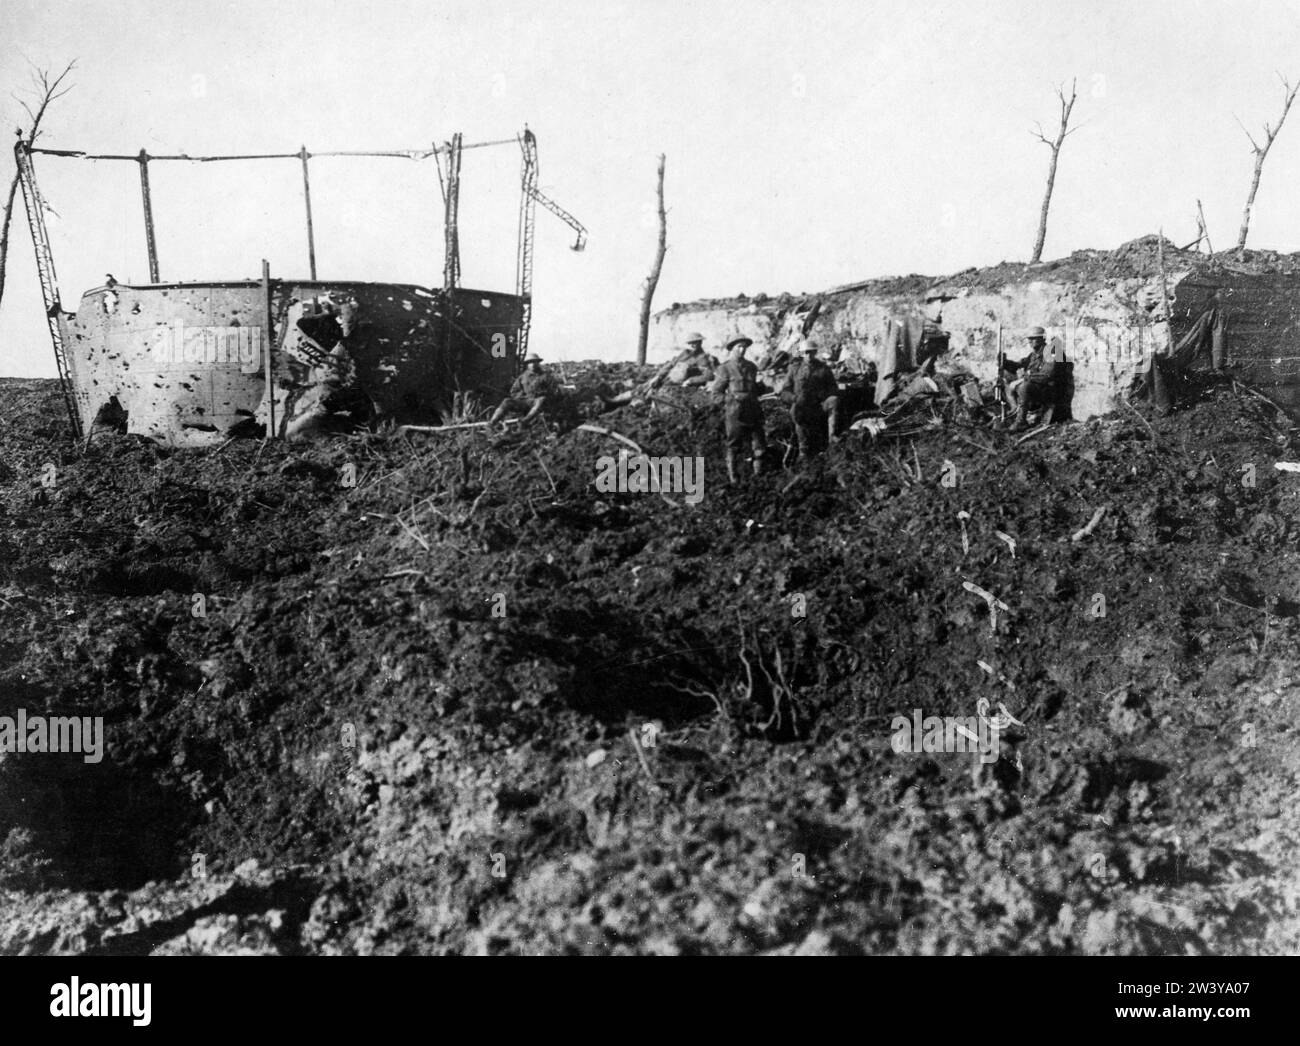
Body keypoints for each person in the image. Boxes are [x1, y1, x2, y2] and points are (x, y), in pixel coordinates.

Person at [708, 336, 766, 482]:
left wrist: (762, 386)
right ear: (732, 349)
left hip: (753, 409)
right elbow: (716, 395)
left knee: (758, 441)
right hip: (735, 411)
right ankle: (733, 477)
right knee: (734, 443)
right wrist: (731, 400)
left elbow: (756, 390)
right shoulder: (725, 368)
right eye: (739, 347)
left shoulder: (752, 367)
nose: (742, 350)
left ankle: (758, 475)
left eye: (744, 347)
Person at [786, 342, 840, 460]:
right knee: (796, 411)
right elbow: (785, 391)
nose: (808, 355)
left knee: (834, 400)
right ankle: (803, 449)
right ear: (802, 353)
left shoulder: (823, 368)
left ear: (815, 353)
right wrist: (794, 398)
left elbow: (833, 388)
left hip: (818, 405)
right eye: (806, 353)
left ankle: (832, 438)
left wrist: (822, 395)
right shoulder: (794, 368)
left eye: (811, 352)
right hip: (802, 406)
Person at [1003, 326, 1055, 430]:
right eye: (1029, 339)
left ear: (1042, 339)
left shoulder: (1050, 352)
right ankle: (1014, 410)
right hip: (1035, 387)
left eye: (1033, 338)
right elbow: (1019, 365)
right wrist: (1005, 362)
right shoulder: (1033, 355)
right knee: (1005, 376)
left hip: (1047, 391)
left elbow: (1046, 376)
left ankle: (1021, 421)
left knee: (1024, 387)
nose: (1030, 341)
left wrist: (1024, 378)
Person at [490, 354, 561, 429]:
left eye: (534, 362)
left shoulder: (546, 376)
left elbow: (555, 390)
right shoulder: (523, 377)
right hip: (526, 402)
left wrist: (545, 395)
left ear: (538, 363)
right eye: (530, 362)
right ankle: (492, 423)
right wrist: (521, 397)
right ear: (527, 364)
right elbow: (514, 391)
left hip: (541, 403)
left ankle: (524, 421)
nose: (532, 364)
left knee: (541, 399)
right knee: (506, 401)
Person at [647, 332, 717, 390]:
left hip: (683, 387)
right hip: (669, 380)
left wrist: (691, 381)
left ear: (700, 343)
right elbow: (671, 364)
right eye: (690, 343)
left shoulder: (703, 358)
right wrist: (658, 376)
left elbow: (709, 375)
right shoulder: (685, 353)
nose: (692, 345)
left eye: (695, 343)